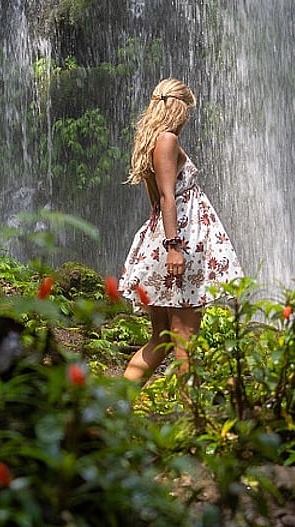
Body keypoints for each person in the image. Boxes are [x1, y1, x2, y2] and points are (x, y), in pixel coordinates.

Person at [119, 78, 243, 384]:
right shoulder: (167, 140)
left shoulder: (153, 141)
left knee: (161, 342)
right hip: (181, 246)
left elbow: (157, 201)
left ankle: (115, 410)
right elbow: (167, 198)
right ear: (178, 107)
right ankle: (193, 421)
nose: (188, 116)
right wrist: (174, 247)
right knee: (184, 342)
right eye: (187, 109)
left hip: (168, 241)